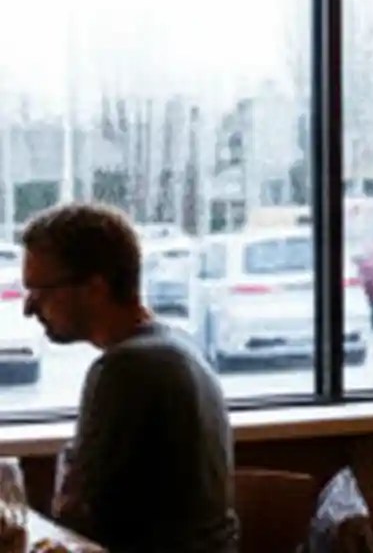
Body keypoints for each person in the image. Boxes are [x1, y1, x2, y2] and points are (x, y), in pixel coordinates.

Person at [22, 203, 238, 553]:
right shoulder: (178, 346)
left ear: (95, 287)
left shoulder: (126, 370)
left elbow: (77, 520)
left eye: (41, 291)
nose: (28, 308)